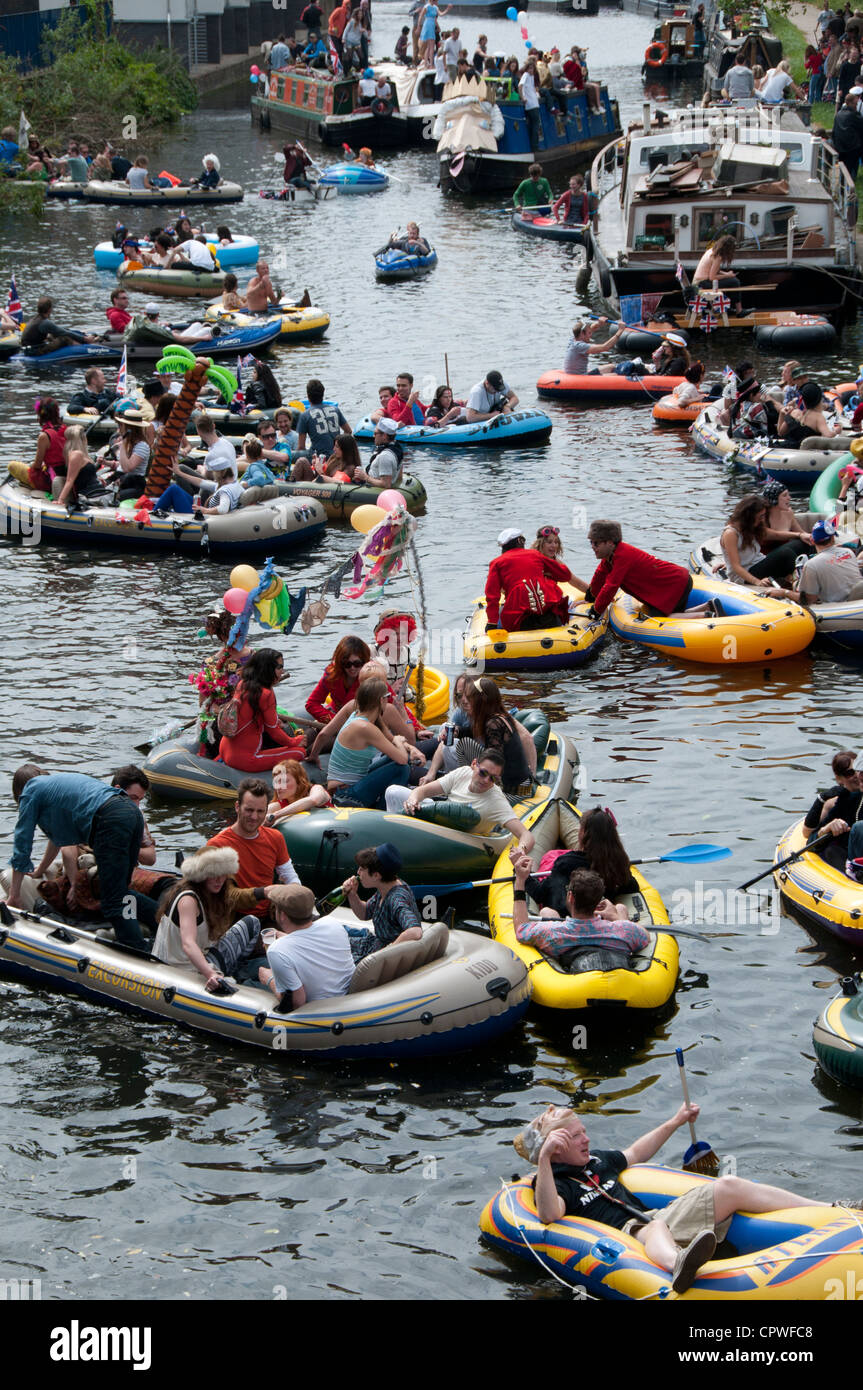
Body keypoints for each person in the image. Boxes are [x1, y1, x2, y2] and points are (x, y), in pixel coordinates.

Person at [516, 1103, 838, 1295]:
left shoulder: (598, 1161)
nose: (586, 1138)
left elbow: (636, 1153)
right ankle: (679, 1264)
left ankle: (830, 1209)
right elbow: (549, 1214)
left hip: (657, 1215)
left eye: (583, 1131)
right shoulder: (558, 1183)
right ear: (556, 1148)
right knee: (655, 1227)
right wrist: (544, 1160)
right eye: (575, 1136)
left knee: (727, 1184)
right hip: (633, 1233)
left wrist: (676, 1120)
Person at [8, 765, 148, 949]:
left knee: (112, 900)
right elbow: (57, 839)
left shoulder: (30, 791)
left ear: (19, 792)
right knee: (122, 891)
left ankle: (137, 950)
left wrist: (14, 896)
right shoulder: (57, 787)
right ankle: (161, 921)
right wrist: (39, 871)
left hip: (111, 818)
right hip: (131, 813)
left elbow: (22, 844)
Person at [153, 846, 272, 991]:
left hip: (204, 955)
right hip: (184, 967)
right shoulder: (188, 900)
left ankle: (240, 970)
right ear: (200, 875)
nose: (219, 880)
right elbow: (188, 943)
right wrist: (210, 973)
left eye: (222, 875)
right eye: (213, 875)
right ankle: (242, 978)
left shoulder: (211, 895)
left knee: (252, 922)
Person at [511, 854, 649, 968]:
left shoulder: (552, 933)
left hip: (574, 977)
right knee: (621, 908)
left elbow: (521, 929)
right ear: (599, 900)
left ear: (570, 897)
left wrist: (520, 881)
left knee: (547, 912)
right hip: (616, 971)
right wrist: (616, 917)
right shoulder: (624, 930)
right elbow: (645, 936)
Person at [387, 749, 537, 848]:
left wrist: (521, 851)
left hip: (458, 840)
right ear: (474, 765)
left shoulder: (496, 801)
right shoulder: (463, 773)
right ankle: (390, 835)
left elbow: (525, 835)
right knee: (393, 791)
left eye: (493, 778)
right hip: (438, 819)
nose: (486, 780)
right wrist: (413, 800)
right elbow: (422, 791)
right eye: (483, 773)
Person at [207, 777, 301, 920]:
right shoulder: (217, 845)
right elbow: (224, 896)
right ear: (237, 807)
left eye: (260, 811)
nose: (254, 817)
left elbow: (290, 876)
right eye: (249, 810)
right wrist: (264, 892)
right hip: (233, 918)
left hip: (269, 914)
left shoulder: (275, 837)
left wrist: (296, 893)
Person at [584, 519, 718, 619]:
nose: (592, 547)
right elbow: (599, 577)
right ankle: (708, 607)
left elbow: (611, 586)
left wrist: (595, 612)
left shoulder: (622, 556)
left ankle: (707, 616)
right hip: (671, 583)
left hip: (675, 583)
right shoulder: (609, 558)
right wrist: (590, 597)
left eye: (596, 543)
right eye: (590, 542)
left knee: (658, 619)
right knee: (665, 614)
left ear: (610, 543)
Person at [325, 676, 423, 808]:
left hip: (353, 782)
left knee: (391, 759)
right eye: (387, 696)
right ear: (381, 700)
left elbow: (391, 739)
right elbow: (402, 759)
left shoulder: (364, 716)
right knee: (401, 768)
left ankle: (383, 802)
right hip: (344, 794)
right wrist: (400, 742)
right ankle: (386, 810)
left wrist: (411, 748)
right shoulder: (365, 727)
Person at [259, 885, 355, 1012]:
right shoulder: (333, 924)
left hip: (319, 1013)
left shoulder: (276, 951)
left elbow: (296, 1003)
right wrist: (286, 938)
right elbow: (310, 942)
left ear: (282, 915)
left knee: (250, 980)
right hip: (348, 997)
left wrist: (269, 979)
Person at [218, 649, 306, 773]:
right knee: (300, 752)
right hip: (243, 759)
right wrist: (295, 741)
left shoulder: (242, 683)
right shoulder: (266, 694)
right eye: (279, 667)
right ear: (267, 669)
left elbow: (251, 716)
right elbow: (274, 731)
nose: (282, 671)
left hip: (224, 749)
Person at [339, 843, 422, 963]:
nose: (358, 872)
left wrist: (387, 951)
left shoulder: (396, 899)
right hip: (373, 944)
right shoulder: (386, 888)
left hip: (377, 955)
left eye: (362, 869)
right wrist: (352, 894)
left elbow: (415, 931)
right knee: (334, 932)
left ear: (376, 875)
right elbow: (365, 913)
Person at [485, 527, 572, 632]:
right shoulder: (535, 555)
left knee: (500, 618)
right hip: (548, 617)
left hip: (519, 621)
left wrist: (491, 623)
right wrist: (548, 573)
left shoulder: (496, 563)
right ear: (520, 541)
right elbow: (566, 575)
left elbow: (492, 597)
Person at [193, 608, 253, 757]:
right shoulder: (211, 663)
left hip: (245, 716)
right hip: (226, 722)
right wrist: (223, 712)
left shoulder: (254, 656)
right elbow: (204, 702)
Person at [718, 495, 808, 588]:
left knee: (799, 544)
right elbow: (735, 566)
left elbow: (775, 534)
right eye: (760, 516)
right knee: (786, 554)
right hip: (746, 573)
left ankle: (813, 574)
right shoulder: (731, 533)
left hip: (759, 563)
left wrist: (799, 535)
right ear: (749, 516)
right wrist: (757, 582)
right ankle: (805, 585)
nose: (762, 519)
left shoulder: (751, 527)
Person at [804, 750, 863, 873]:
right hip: (856, 867)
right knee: (832, 850)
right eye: (859, 772)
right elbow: (811, 841)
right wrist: (827, 829)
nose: (859, 777)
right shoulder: (848, 800)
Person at [791, 518, 862, 604]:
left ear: (812, 541)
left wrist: (784, 592)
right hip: (857, 600)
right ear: (833, 538)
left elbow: (809, 600)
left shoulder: (811, 565)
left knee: (795, 585)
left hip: (838, 609)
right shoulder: (849, 552)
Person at [306, 636, 370, 725]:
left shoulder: (372, 674)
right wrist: (335, 721)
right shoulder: (331, 675)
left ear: (364, 661)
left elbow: (388, 703)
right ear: (340, 662)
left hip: (363, 723)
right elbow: (311, 704)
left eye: (357, 663)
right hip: (335, 717)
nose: (352, 668)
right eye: (347, 664)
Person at [296, 379, 351, 457]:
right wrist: (340, 448)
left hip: (319, 457)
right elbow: (348, 431)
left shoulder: (305, 415)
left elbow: (301, 447)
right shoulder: (335, 410)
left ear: (308, 396)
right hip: (336, 455)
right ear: (323, 394)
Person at [20, 296, 96, 353]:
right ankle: (84, 348)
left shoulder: (34, 319)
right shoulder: (45, 323)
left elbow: (59, 330)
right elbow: (64, 333)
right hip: (34, 351)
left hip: (29, 348)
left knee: (53, 335)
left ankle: (84, 340)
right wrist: (84, 339)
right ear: (50, 309)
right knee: (65, 338)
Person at [778, 381, 843, 447]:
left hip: (787, 447)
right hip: (804, 451)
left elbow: (780, 432)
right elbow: (828, 436)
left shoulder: (794, 412)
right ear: (819, 400)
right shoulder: (818, 418)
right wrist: (836, 431)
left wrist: (781, 413)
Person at [266, 761, 331, 826]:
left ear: (299, 782)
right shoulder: (277, 805)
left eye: (284, 781)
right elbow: (262, 814)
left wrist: (276, 815)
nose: (278, 786)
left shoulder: (316, 788)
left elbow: (314, 800)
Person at [693, 235, 742, 314]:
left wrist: (726, 274)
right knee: (734, 282)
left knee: (730, 281)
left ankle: (728, 308)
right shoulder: (718, 257)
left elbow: (715, 270)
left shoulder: (712, 251)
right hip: (702, 283)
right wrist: (728, 276)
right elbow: (712, 277)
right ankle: (739, 311)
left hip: (699, 282)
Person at [55, 426, 102, 508]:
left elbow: (84, 475)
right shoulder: (77, 454)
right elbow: (70, 480)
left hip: (97, 490)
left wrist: (97, 478)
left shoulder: (81, 454)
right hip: (91, 494)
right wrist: (61, 500)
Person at [563, 319, 627, 375]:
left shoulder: (574, 339)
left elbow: (591, 328)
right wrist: (620, 331)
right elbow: (605, 347)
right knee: (614, 375)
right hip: (581, 377)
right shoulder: (580, 346)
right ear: (582, 334)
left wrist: (599, 323)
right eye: (589, 333)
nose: (590, 335)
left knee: (612, 366)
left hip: (578, 374)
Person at [112, 409, 151, 501]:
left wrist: (122, 447)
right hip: (122, 479)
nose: (119, 429)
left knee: (113, 497)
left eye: (121, 425)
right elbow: (121, 465)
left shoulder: (142, 445)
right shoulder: (128, 443)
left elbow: (127, 468)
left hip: (134, 484)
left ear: (128, 429)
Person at [28, 398, 66, 491]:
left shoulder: (44, 436)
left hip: (52, 478)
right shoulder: (66, 429)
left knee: (13, 466)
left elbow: (37, 465)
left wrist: (30, 466)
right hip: (67, 473)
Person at [353, 418, 404, 487]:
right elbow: (399, 475)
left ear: (384, 436)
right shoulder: (397, 447)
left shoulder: (385, 456)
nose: (373, 436)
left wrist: (365, 477)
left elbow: (386, 484)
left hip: (373, 489)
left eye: (375, 433)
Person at [831, 91, 863, 179]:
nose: (856, 106)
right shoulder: (854, 115)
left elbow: (834, 130)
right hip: (852, 147)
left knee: (843, 168)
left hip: (839, 146)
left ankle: (844, 182)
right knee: (851, 168)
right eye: (855, 104)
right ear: (848, 103)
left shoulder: (838, 114)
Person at [518, 60, 543, 151]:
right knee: (535, 125)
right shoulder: (526, 75)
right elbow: (520, 86)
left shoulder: (531, 77)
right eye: (529, 68)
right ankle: (535, 147)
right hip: (531, 104)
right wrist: (523, 97)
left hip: (534, 103)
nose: (531, 70)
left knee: (533, 125)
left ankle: (533, 146)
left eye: (532, 68)